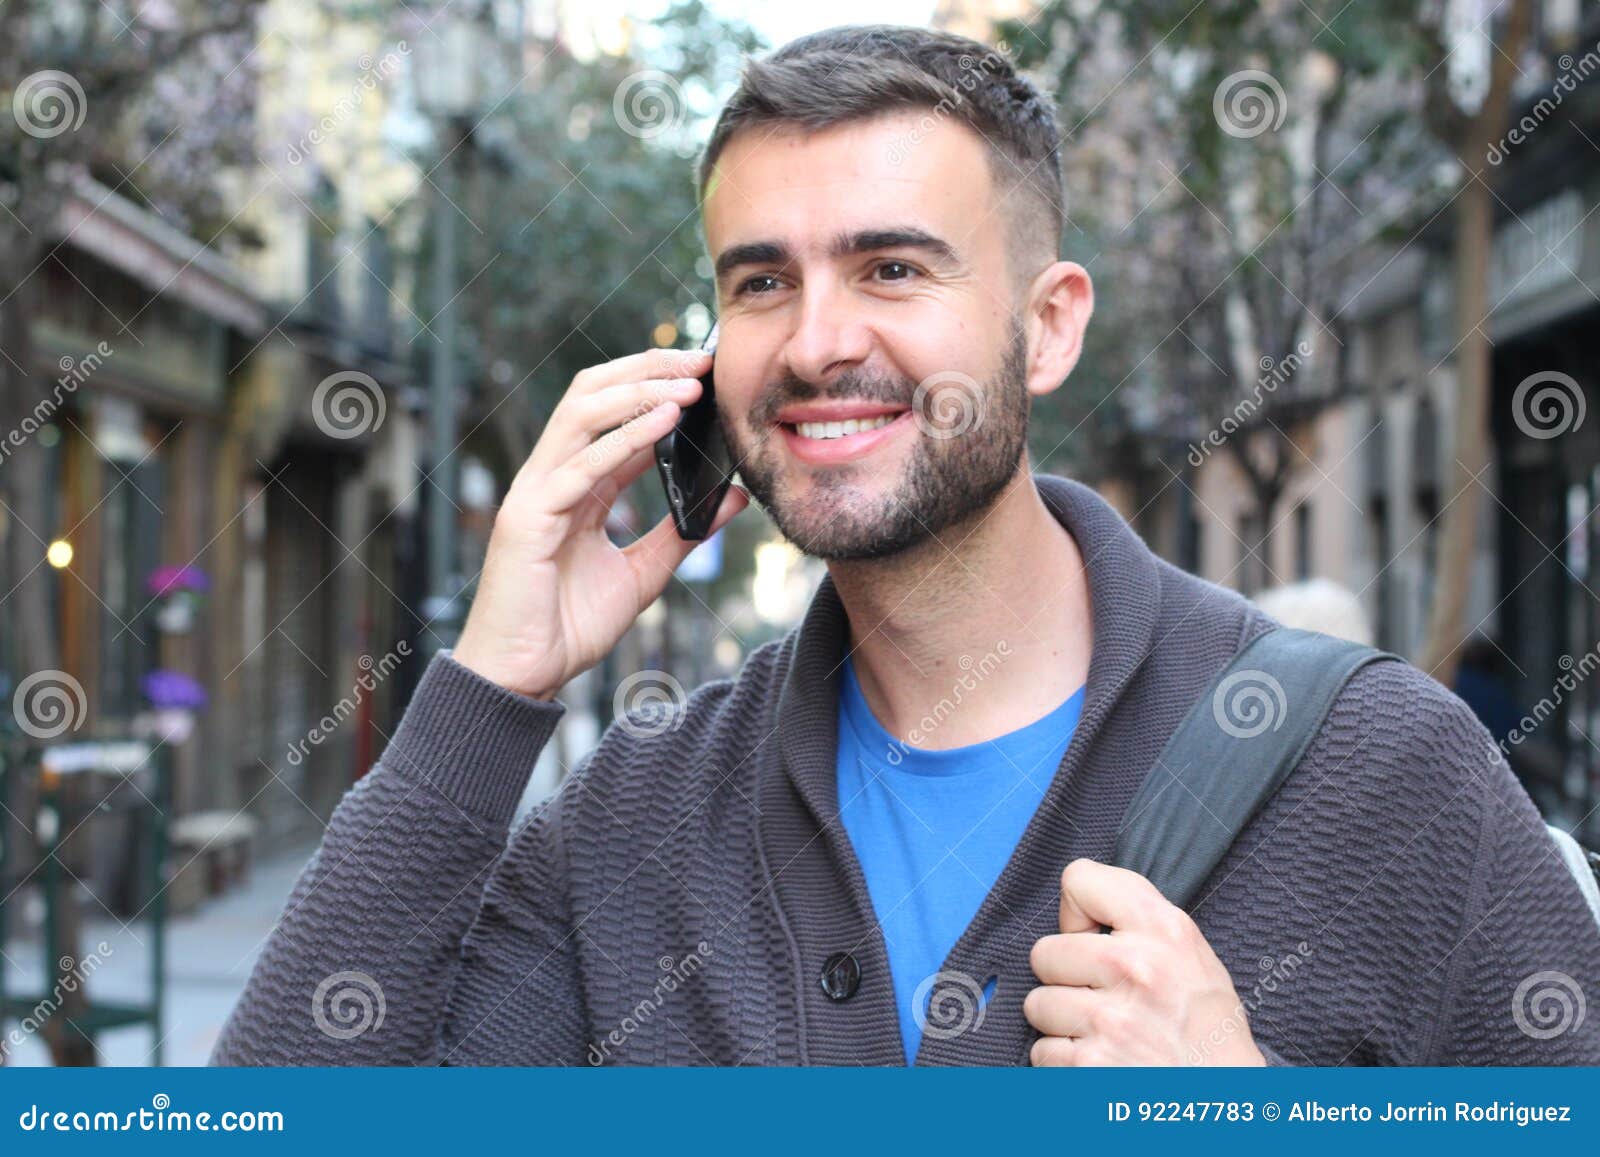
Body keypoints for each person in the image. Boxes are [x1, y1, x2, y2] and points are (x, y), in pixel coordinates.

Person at [210, 24, 1600, 1067]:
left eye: (892, 267)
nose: (818, 341)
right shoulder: (635, 824)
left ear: (1048, 325)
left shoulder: (1382, 773)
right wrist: (490, 689)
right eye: (762, 281)